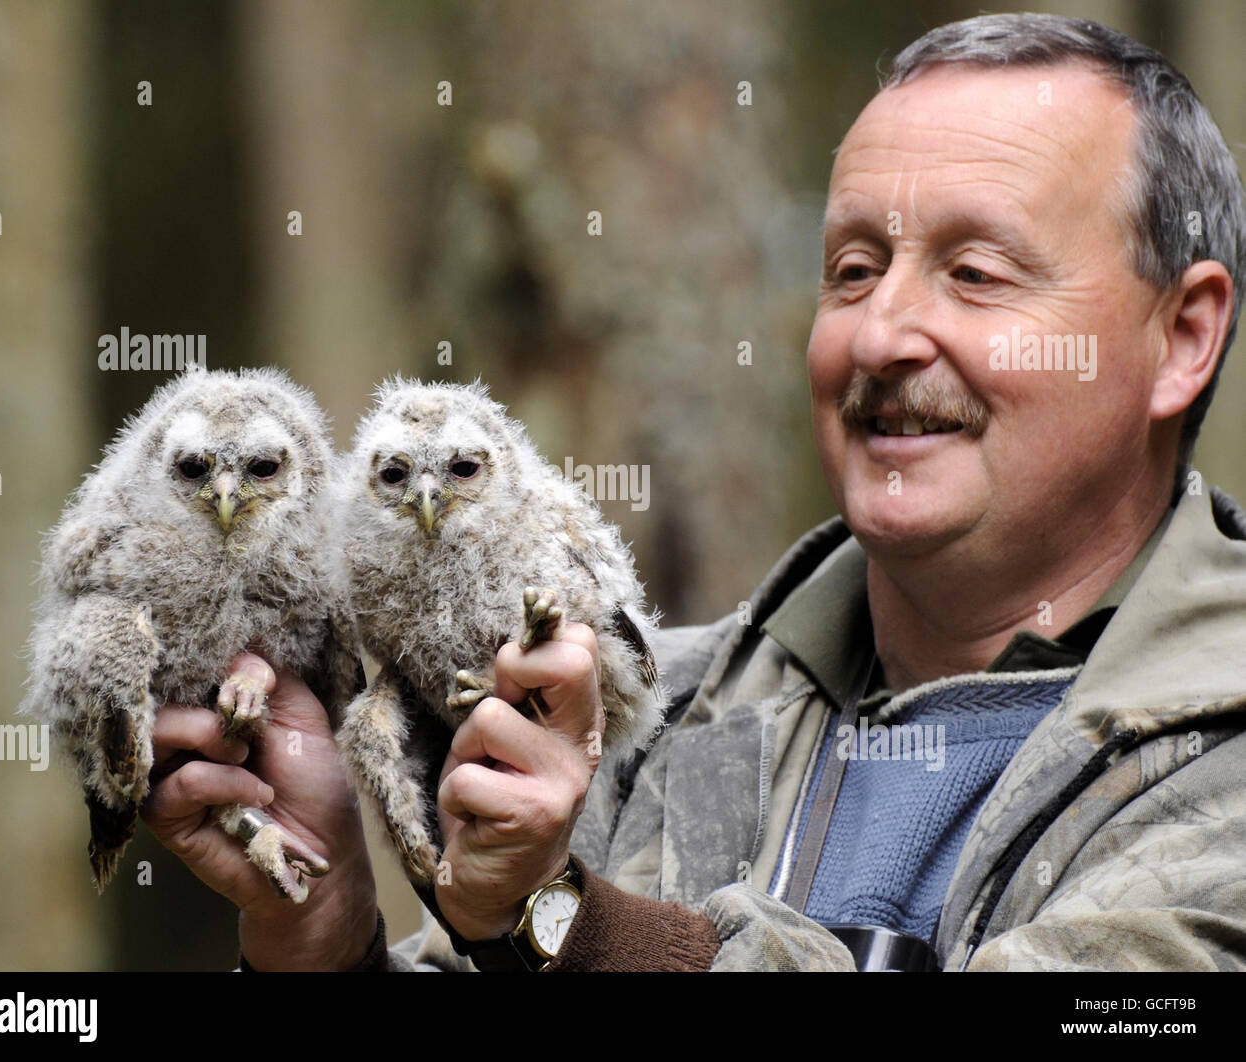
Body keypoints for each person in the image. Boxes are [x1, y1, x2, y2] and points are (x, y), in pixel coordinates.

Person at [139, 12, 1246, 971]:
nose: (879, 333)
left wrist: (564, 925)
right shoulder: (645, 707)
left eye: (975, 274)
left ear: (1181, 336)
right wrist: (320, 935)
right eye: (852, 270)